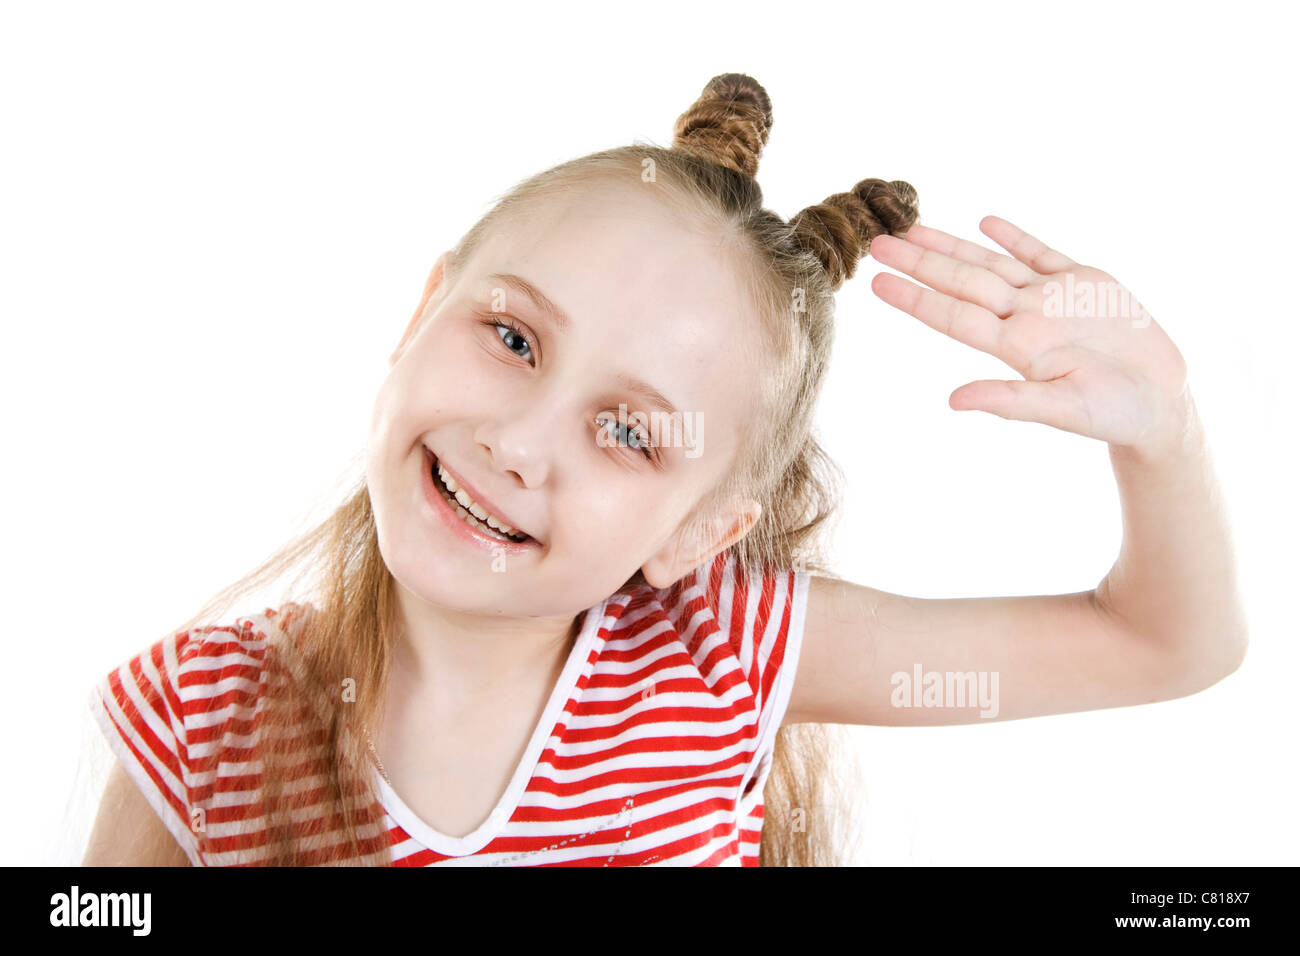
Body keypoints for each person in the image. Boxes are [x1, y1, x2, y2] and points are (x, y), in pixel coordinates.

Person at [81, 72, 1247, 867]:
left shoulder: (723, 651)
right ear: (424, 309)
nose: (520, 441)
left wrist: (1165, 429)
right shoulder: (203, 718)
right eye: (512, 337)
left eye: (630, 430)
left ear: (699, 529)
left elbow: (1167, 643)